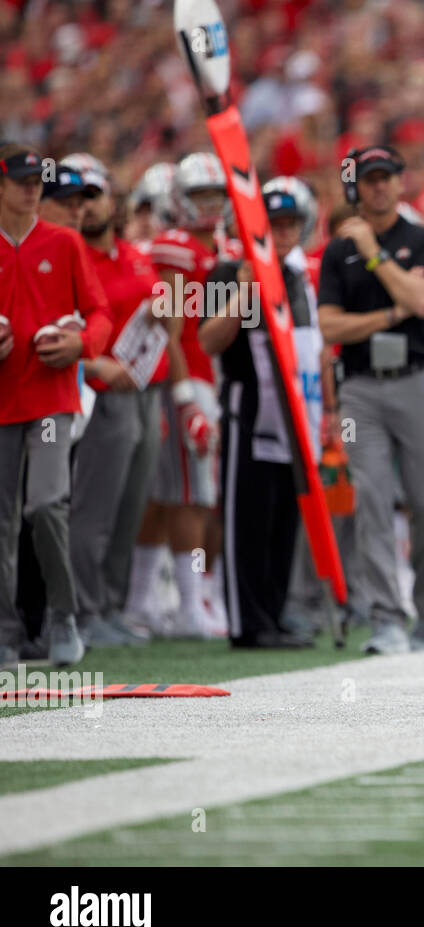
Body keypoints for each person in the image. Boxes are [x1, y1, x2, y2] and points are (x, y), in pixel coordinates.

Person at [317, 145, 424, 654]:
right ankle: (387, 617)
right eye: (369, 179)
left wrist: (374, 252)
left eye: (385, 177)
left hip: (417, 379)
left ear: (399, 181)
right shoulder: (335, 249)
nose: (377, 186)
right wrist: (391, 314)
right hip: (361, 385)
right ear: (357, 186)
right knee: (370, 500)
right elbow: (330, 325)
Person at [0, 144, 112, 667]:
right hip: (3, 400)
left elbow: (100, 314)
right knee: (2, 521)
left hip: (51, 399)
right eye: (22, 179)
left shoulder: (65, 243)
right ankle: (6, 631)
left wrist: (81, 345)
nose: (32, 187)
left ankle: (62, 618)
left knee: (45, 504)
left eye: (37, 179)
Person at [200, 177, 321, 649]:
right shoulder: (228, 272)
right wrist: (244, 290)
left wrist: (326, 408)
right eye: (275, 224)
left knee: (282, 516)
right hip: (248, 401)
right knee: (247, 515)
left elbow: (315, 348)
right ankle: (247, 621)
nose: (284, 232)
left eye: (291, 223)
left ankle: (273, 612)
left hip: (296, 406)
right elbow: (209, 340)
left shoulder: (297, 275)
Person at [65, 152, 165, 648]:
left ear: (111, 198)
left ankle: (111, 604)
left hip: (145, 393)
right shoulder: (68, 256)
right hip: (96, 394)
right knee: (94, 509)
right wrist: (91, 365)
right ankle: (84, 611)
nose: (84, 208)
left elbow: (169, 312)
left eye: (92, 196)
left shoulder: (135, 255)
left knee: (131, 507)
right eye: (75, 199)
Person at [132, 152, 230, 640]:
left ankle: (160, 601)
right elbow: (170, 331)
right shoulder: (174, 247)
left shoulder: (221, 250)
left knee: (189, 497)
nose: (210, 205)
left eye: (217, 195)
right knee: (188, 498)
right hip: (187, 380)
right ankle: (186, 606)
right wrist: (186, 395)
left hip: (215, 380)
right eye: (200, 195)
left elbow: (236, 327)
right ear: (180, 199)